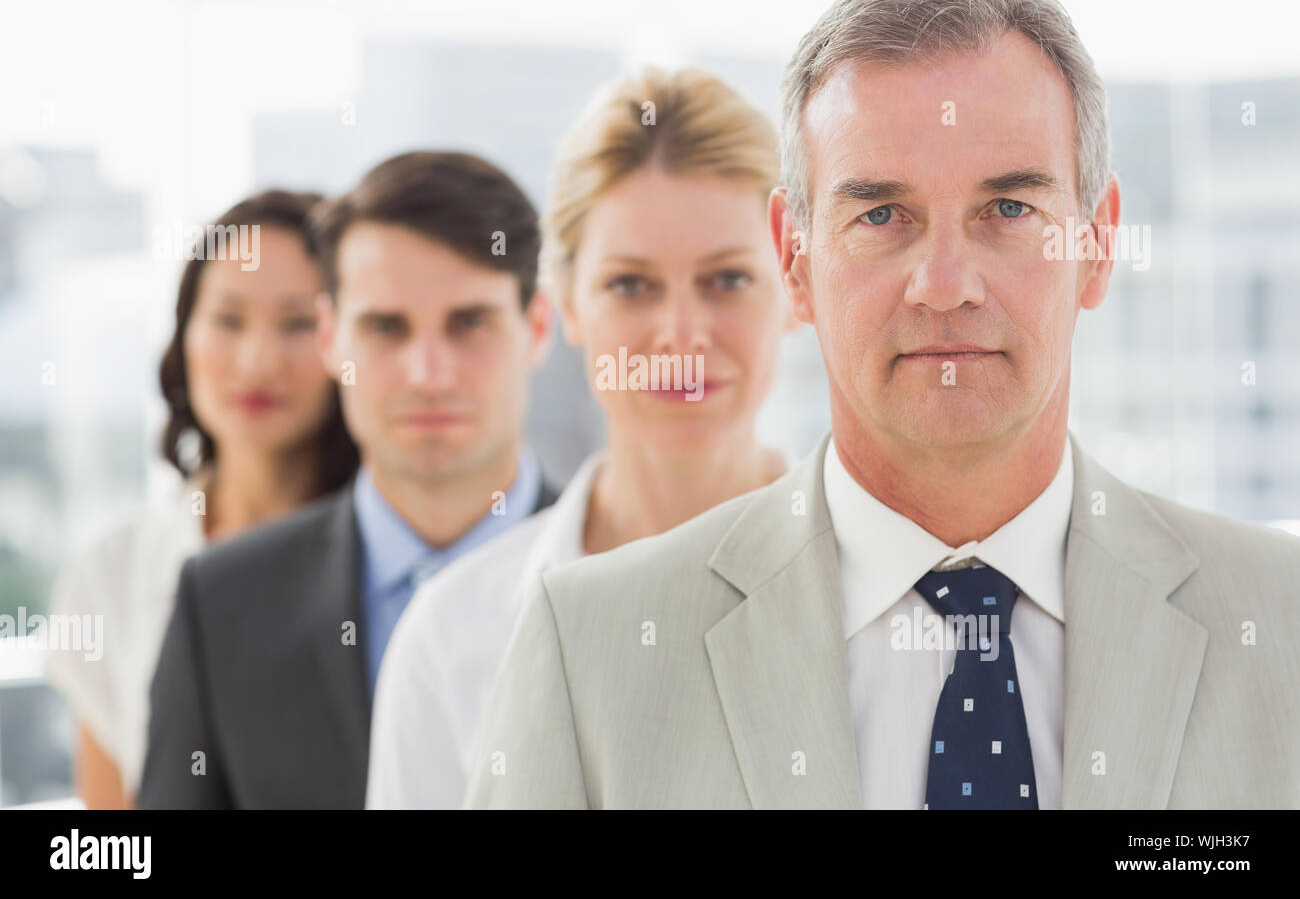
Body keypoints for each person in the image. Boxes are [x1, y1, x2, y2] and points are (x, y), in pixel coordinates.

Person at [465, 0, 1300, 810]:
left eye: (1009, 210)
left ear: (1096, 243)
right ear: (794, 258)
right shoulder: (590, 651)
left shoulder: (1284, 625)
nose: (945, 284)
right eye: (881, 215)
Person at [366, 67, 800, 809]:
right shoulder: (453, 637)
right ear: (565, 304)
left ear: (794, 285)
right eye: (631, 285)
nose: (681, 336)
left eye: (727, 279)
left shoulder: (893, 600)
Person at [136, 151, 561, 808]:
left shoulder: (633, 579)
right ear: (332, 336)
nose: (427, 372)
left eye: (469, 322)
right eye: (386, 326)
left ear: (536, 328)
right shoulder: (220, 605)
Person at [45, 190, 359, 809]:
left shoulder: (390, 552)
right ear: (184, 337)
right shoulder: (114, 569)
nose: (258, 360)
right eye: (228, 319)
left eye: (298, 323)